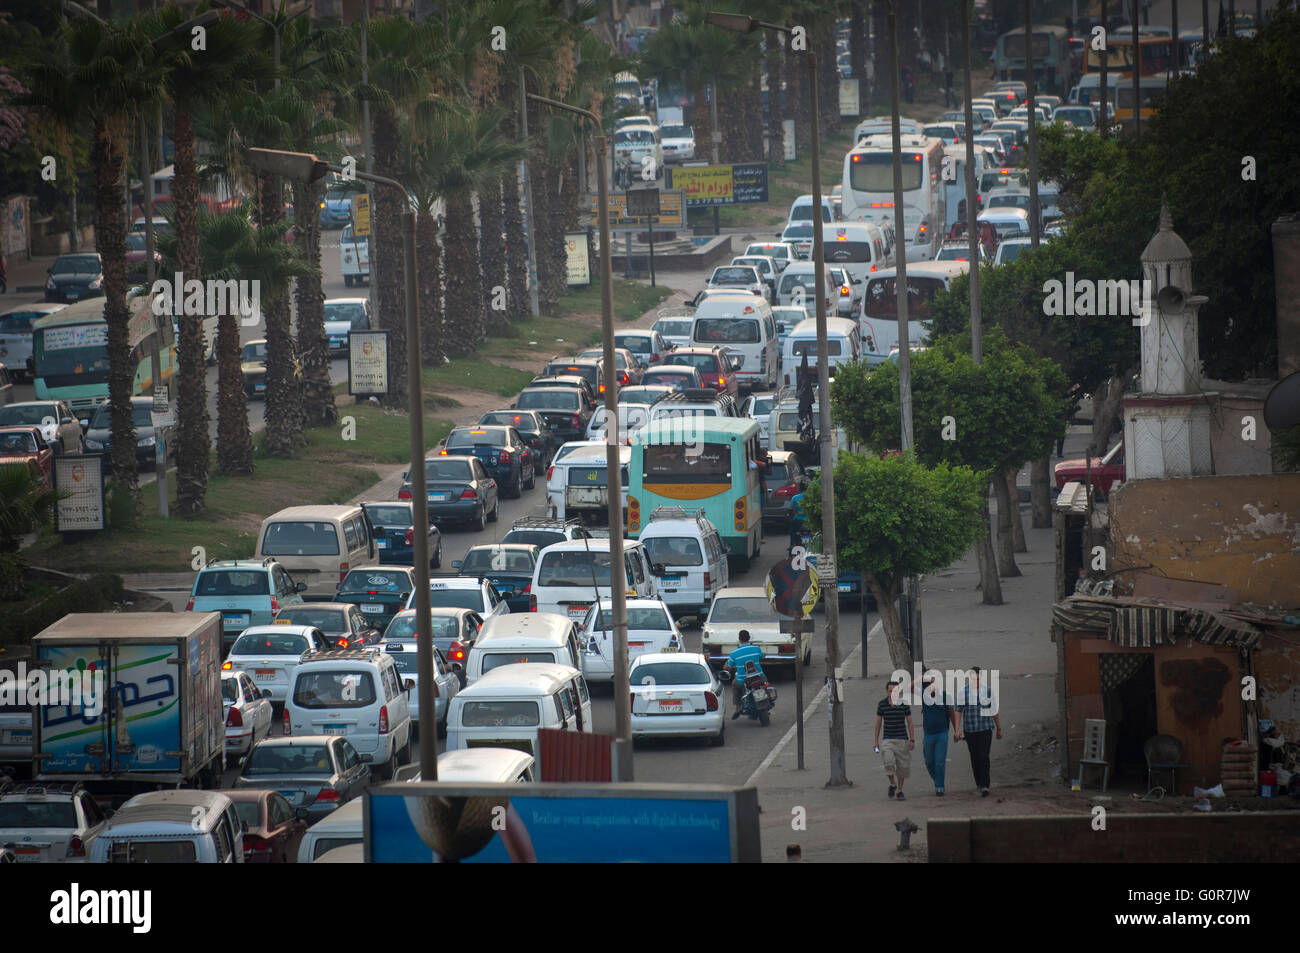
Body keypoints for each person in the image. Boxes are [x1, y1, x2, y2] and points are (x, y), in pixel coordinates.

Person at [954, 666, 1002, 796]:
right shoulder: (963, 691)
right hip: (970, 730)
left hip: (985, 728)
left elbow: (994, 710)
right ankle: (979, 784)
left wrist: (999, 728)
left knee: (984, 756)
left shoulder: (987, 690)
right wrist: (957, 729)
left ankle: (985, 785)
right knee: (974, 757)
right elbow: (958, 710)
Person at [920, 669, 958, 795]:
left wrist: (957, 730)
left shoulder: (946, 696)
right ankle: (937, 780)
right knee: (929, 761)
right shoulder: (923, 696)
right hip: (928, 734)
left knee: (940, 761)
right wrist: (921, 678)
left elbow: (952, 714)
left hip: (942, 733)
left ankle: (939, 787)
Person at [875, 680, 915, 799]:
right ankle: (892, 784)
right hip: (888, 739)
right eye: (890, 691)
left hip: (902, 740)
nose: (892, 693)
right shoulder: (882, 704)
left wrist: (912, 740)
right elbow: (878, 724)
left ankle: (900, 790)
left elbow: (910, 722)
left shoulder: (904, 704)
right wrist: (876, 742)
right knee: (888, 762)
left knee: (902, 767)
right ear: (887, 692)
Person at [726, 630, 765, 717]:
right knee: (766, 685)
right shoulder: (756, 649)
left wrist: (726, 666)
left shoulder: (734, 653)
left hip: (743, 681)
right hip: (760, 677)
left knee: (735, 684)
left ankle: (738, 706)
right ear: (749, 638)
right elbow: (762, 656)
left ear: (739, 639)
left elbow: (729, 666)